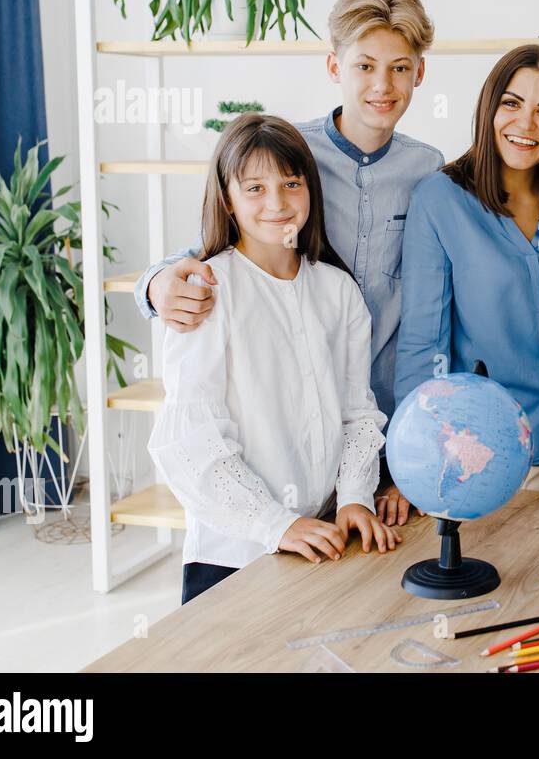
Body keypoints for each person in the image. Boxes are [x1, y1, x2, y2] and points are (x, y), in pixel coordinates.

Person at [136, 0, 441, 525]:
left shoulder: (427, 168)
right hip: (283, 429)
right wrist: (155, 284)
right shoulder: (289, 154)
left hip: (378, 426)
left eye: (399, 68)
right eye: (364, 65)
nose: (381, 85)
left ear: (419, 74)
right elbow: (215, 244)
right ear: (333, 66)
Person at [147, 114, 401, 605]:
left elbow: (357, 413)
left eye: (291, 183)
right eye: (255, 188)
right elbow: (188, 439)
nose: (278, 204)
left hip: (325, 539)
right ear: (227, 198)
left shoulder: (338, 290)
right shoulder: (205, 291)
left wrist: (353, 497)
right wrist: (274, 523)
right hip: (233, 556)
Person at [394, 44, 539, 493]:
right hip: (497, 442)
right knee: (525, 564)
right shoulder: (440, 201)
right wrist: (412, 456)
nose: (525, 125)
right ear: (489, 107)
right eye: (511, 104)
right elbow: (422, 342)